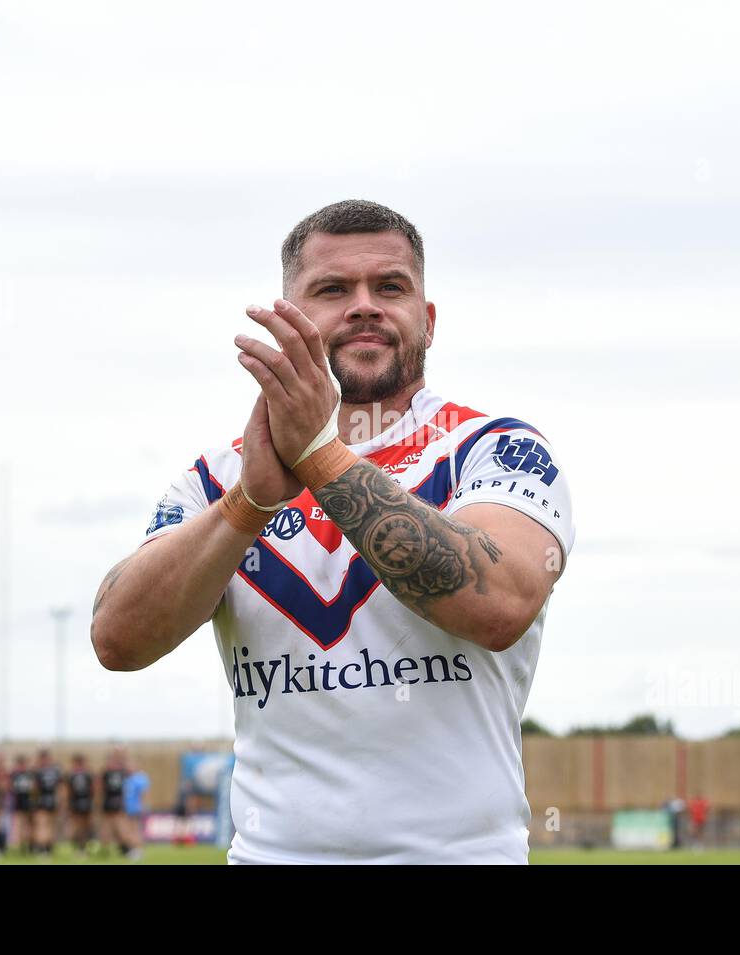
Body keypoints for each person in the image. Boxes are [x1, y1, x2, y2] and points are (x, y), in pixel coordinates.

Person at [91, 200, 574, 864]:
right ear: (288, 319)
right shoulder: (218, 478)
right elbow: (118, 638)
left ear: (427, 322)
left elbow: (500, 601)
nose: (365, 306)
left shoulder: (491, 449)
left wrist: (318, 454)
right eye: (332, 289)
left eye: (391, 287)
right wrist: (250, 501)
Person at [98, 749, 128, 856]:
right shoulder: (122, 771)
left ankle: (106, 849)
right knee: (117, 825)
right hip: (117, 801)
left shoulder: (106, 772)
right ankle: (123, 848)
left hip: (109, 801)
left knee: (109, 826)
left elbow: (100, 788)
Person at [32, 749, 62, 855]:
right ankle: (47, 848)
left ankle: (44, 848)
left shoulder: (38, 771)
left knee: (43, 826)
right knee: (47, 826)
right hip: (51, 801)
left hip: (43, 802)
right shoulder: (55, 770)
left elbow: (34, 789)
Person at [65, 754, 95, 852]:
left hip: (78, 803)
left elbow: (68, 791)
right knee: (82, 827)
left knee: (81, 826)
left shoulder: (72, 775)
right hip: (84, 803)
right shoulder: (88, 774)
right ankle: (81, 846)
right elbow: (93, 790)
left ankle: (81, 846)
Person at [8, 754, 35, 854]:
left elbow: (34, 790)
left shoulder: (29, 775)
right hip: (17, 805)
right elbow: (10, 789)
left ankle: (27, 847)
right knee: (18, 827)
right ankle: (20, 848)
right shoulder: (14, 775)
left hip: (28, 805)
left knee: (27, 827)